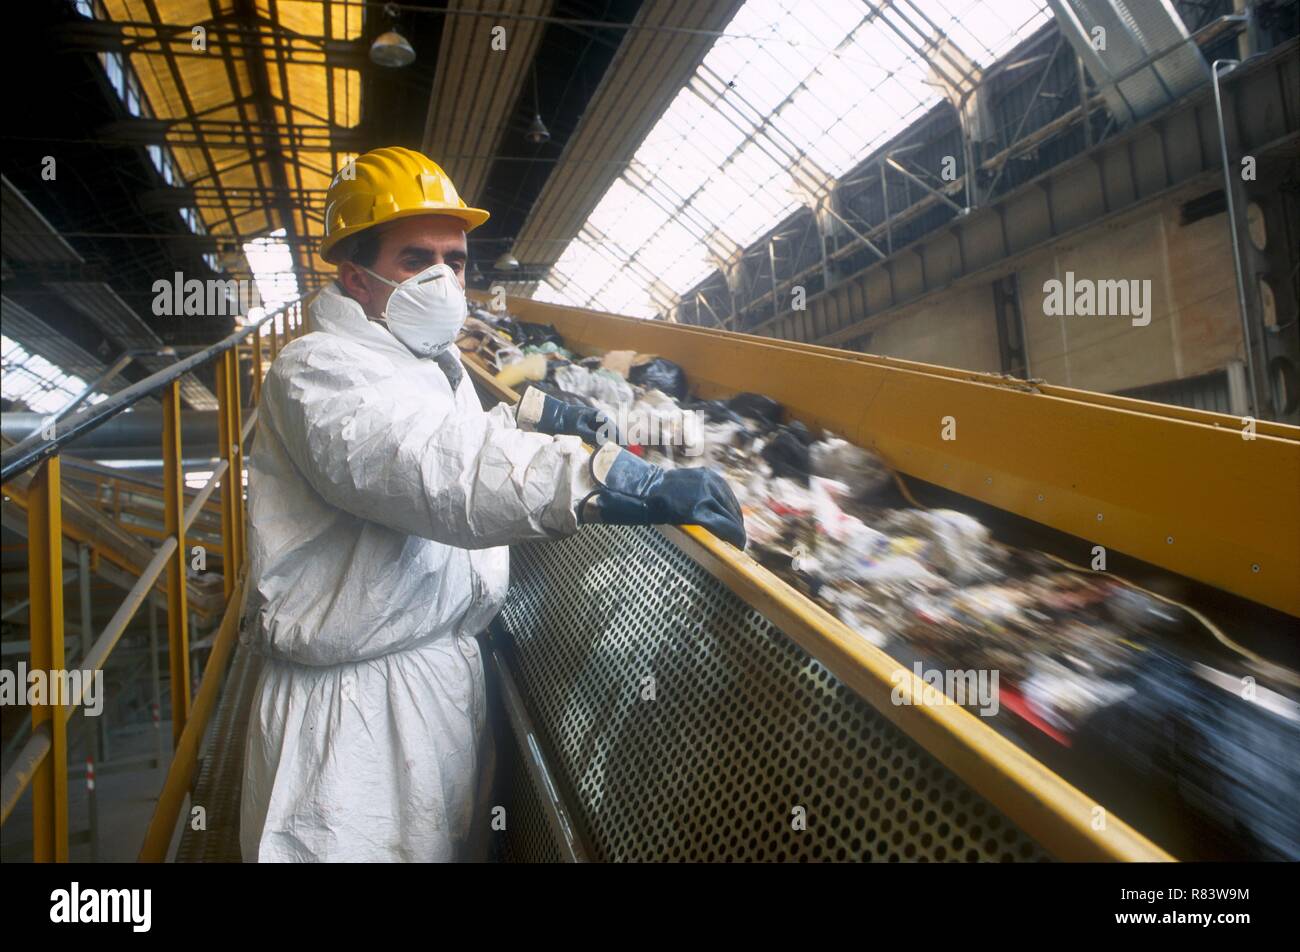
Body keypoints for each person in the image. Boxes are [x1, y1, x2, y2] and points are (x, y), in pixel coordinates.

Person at [238, 146, 745, 862]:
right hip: (349, 725)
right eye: (417, 258)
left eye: (457, 257)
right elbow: (427, 468)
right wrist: (608, 477)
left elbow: (456, 437)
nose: (445, 277)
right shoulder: (316, 369)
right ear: (356, 276)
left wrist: (537, 418)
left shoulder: (415, 359)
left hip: (432, 683)